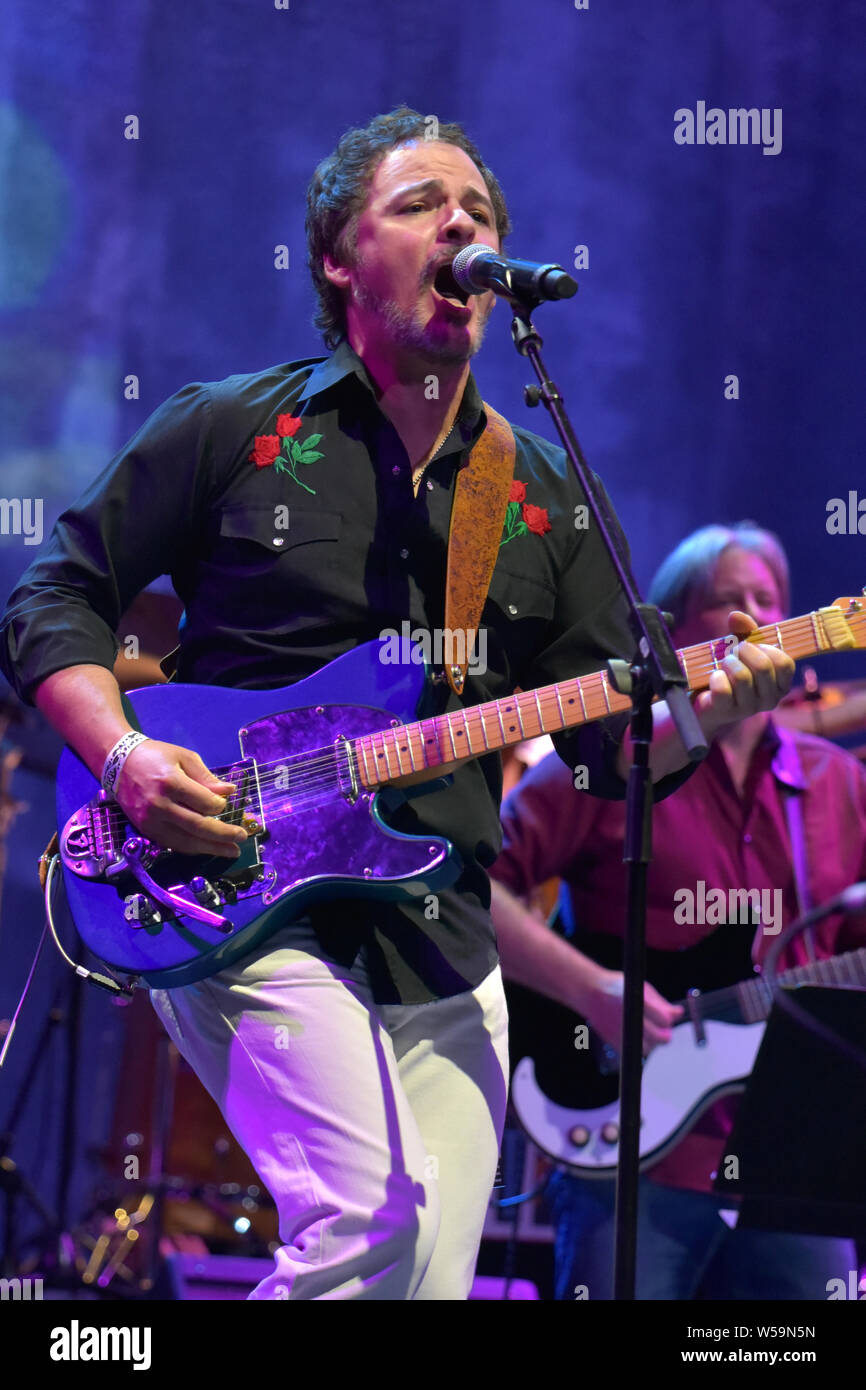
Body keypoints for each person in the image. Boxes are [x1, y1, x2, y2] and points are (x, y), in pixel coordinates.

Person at [0, 111, 794, 1300]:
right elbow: (54, 595)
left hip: (444, 933)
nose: (461, 222)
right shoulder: (236, 428)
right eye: (421, 202)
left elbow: (599, 755)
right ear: (337, 256)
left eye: (476, 208)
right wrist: (123, 759)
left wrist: (705, 714)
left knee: (423, 1278)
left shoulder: (537, 494)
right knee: (367, 1219)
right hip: (239, 898)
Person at [490, 522, 866, 1300]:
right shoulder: (609, 765)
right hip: (630, 1153)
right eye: (732, 603)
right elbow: (469, 888)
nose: (761, 620)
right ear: (674, 631)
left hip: (795, 1160)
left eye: (772, 602)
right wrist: (590, 989)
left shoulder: (841, 785)